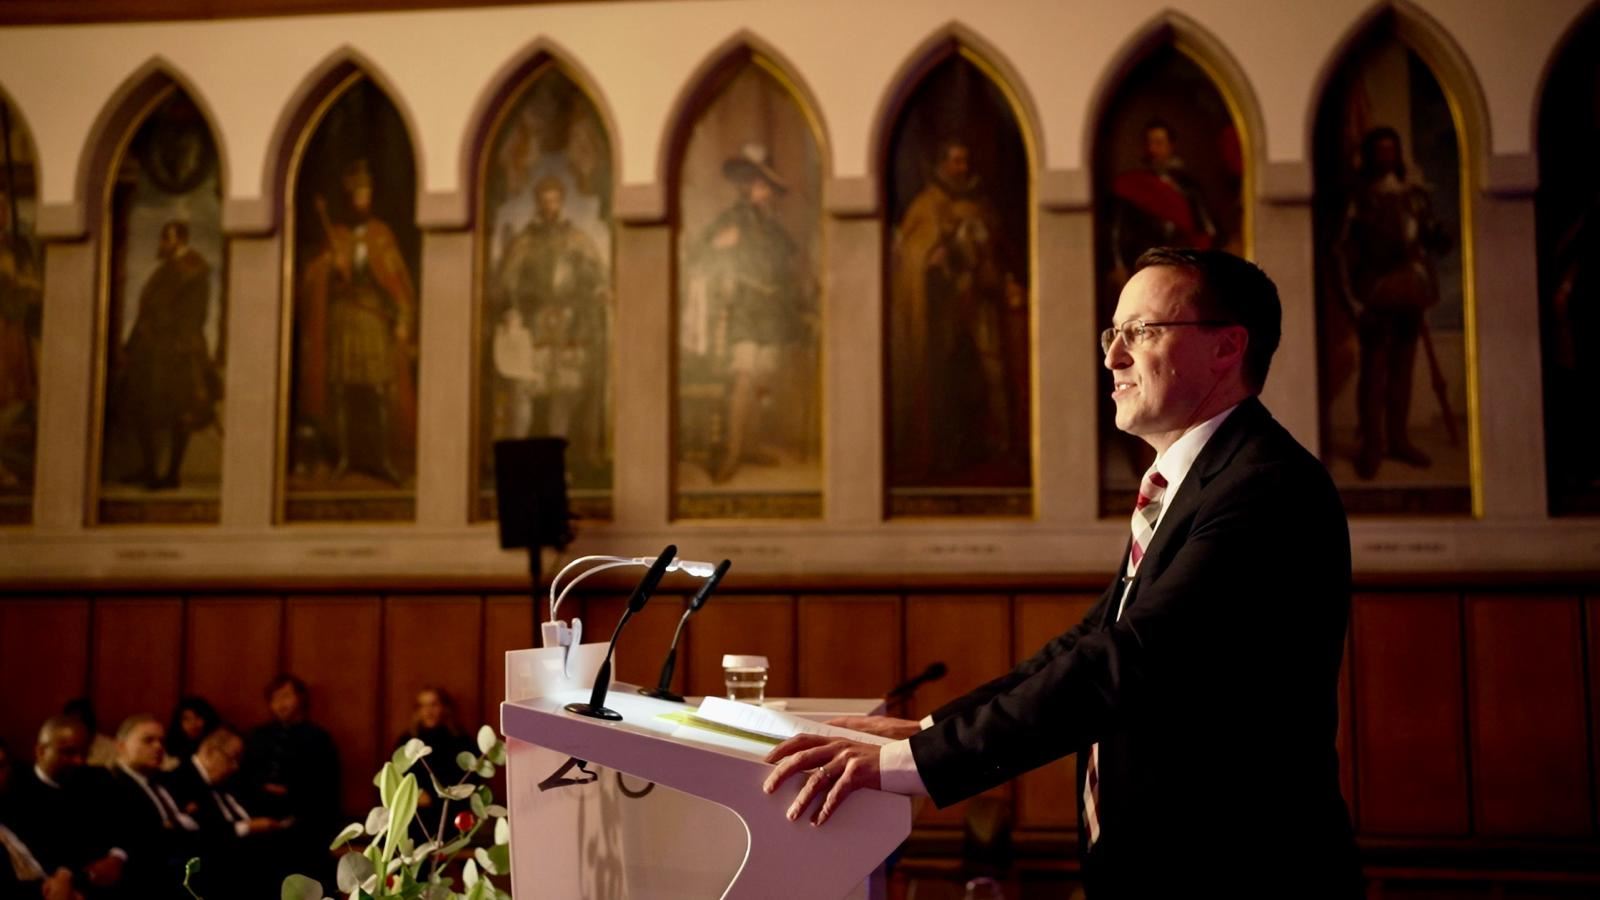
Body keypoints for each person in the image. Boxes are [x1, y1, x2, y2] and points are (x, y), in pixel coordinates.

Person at [766, 249, 1360, 898]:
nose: (1113, 358)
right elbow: (1086, 642)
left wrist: (913, 765)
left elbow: (1129, 660)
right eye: (1114, 334)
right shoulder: (1194, 482)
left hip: (1239, 872)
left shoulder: (1267, 487)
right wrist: (929, 730)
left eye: (1142, 331)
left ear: (1226, 348)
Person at [889, 138, 1027, 482]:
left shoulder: (982, 207)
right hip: (941, 319)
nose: (961, 168)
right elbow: (911, 261)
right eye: (955, 161)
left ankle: (997, 445)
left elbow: (1000, 255)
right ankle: (944, 453)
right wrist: (932, 261)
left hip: (982, 310)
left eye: (965, 161)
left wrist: (986, 261)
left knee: (990, 376)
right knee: (945, 383)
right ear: (940, 165)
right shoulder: (925, 207)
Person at [684, 142, 814, 484]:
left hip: (773, 309)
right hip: (743, 307)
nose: (762, 190)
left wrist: (799, 302)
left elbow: (787, 265)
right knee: (743, 378)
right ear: (744, 186)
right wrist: (716, 246)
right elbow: (697, 256)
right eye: (756, 183)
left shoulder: (773, 227)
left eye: (765, 184)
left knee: (763, 380)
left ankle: (752, 445)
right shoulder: (729, 221)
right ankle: (732, 452)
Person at [1334, 126, 1452, 480]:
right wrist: (1353, 298)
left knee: (1402, 372)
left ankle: (1398, 440)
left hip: (1411, 290)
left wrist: (1438, 236)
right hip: (1376, 292)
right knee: (1375, 375)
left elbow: (1430, 237)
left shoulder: (1414, 196)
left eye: (1392, 150)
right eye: (1380, 151)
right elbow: (1340, 249)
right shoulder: (1359, 198)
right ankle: (1372, 445)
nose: (1387, 157)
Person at [295, 158, 417, 485]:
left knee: (379, 389)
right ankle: (345, 458)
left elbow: (398, 281)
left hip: (374, 319)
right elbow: (311, 280)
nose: (362, 198)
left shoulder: (381, 235)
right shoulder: (336, 235)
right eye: (357, 193)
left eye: (367, 193)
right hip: (344, 321)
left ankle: (383, 459)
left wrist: (404, 318)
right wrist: (330, 268)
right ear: (349, 199)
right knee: (341, 391)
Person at [490, 176, 609, 472]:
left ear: (561, 202)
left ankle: (557, 463)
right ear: (538, 203)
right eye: (545, 200)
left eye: (555, 199)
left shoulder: (576, 239)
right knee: (523, 394)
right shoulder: (525, 241)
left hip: (567, 327)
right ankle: (517, 461)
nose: (550, 205)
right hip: (531, 325)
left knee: (562, 396)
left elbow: (596, 277)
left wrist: (597, 291)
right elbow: (506, 282)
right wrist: (511, 310)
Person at [110, 220, 217, 491]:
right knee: (141, 410)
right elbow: (147, 310)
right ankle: (149, 469)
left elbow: (195, 314)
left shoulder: (194, 271)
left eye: (165, 240)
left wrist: (172, 336)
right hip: (150, 352)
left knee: (180, 413)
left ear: (178, 241)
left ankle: (171, 474)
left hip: (178, 354)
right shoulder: (164, 271)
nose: (161, 245)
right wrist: (131, 345)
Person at [165, 726, 287, 898]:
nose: (235, 767)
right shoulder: (180, 779)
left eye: (238, 760)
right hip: (219, 863)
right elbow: (202, 833)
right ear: (209, 752)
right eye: (232, 759)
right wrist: (248, 827)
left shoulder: (229, 781)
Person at [242, 674, 339, 888]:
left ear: (300, 699)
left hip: (304, 830)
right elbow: (244, 777)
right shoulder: (258, 736)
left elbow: (326, 788)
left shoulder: (318, 738)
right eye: (274, 698)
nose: (280, 704)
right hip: (260, 830)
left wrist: (291, 793)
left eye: (286, 696)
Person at [103, 714, 199, 895]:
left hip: (188, 863)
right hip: (151, 875)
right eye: (148, 740)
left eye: (161, 741)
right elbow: (136, 836)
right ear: (121, 746)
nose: (158, 747)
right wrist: (171, 826)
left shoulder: (165, 780)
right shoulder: (110, 784)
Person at [0, 189, 41, 494]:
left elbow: (34, 287)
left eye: (2, 207)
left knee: (18, 397)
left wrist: (22, 283)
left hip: (11, 329)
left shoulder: (17, 246)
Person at [392, 687, 474, 821]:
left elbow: (467, 780)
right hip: (413, 812)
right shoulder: (407, 741)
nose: (428, 711)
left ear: (444, 707)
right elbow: (395, 775)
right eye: (423, 706)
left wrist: (434, 797)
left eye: (433, 705)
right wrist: (414, 794)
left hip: (449, 811)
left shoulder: (461, 741)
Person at [161, 695, 219, 772]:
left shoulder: (215, 748)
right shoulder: (170, 747)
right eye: (186, 719)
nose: (193, 724)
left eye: (198, 717)